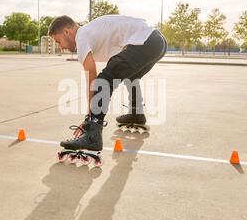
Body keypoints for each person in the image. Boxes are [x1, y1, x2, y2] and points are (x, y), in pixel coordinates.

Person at [48, 14, 167, 152]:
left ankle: (93, 136)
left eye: (58, 41)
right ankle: (136, 113)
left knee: (104, 81)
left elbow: (92, 80)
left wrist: (89, 119)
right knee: (130, 76)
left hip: (146, 41)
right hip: (157, 41)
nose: (60, 47)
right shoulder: (92, 31)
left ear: (67, 32)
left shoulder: (81, 37)